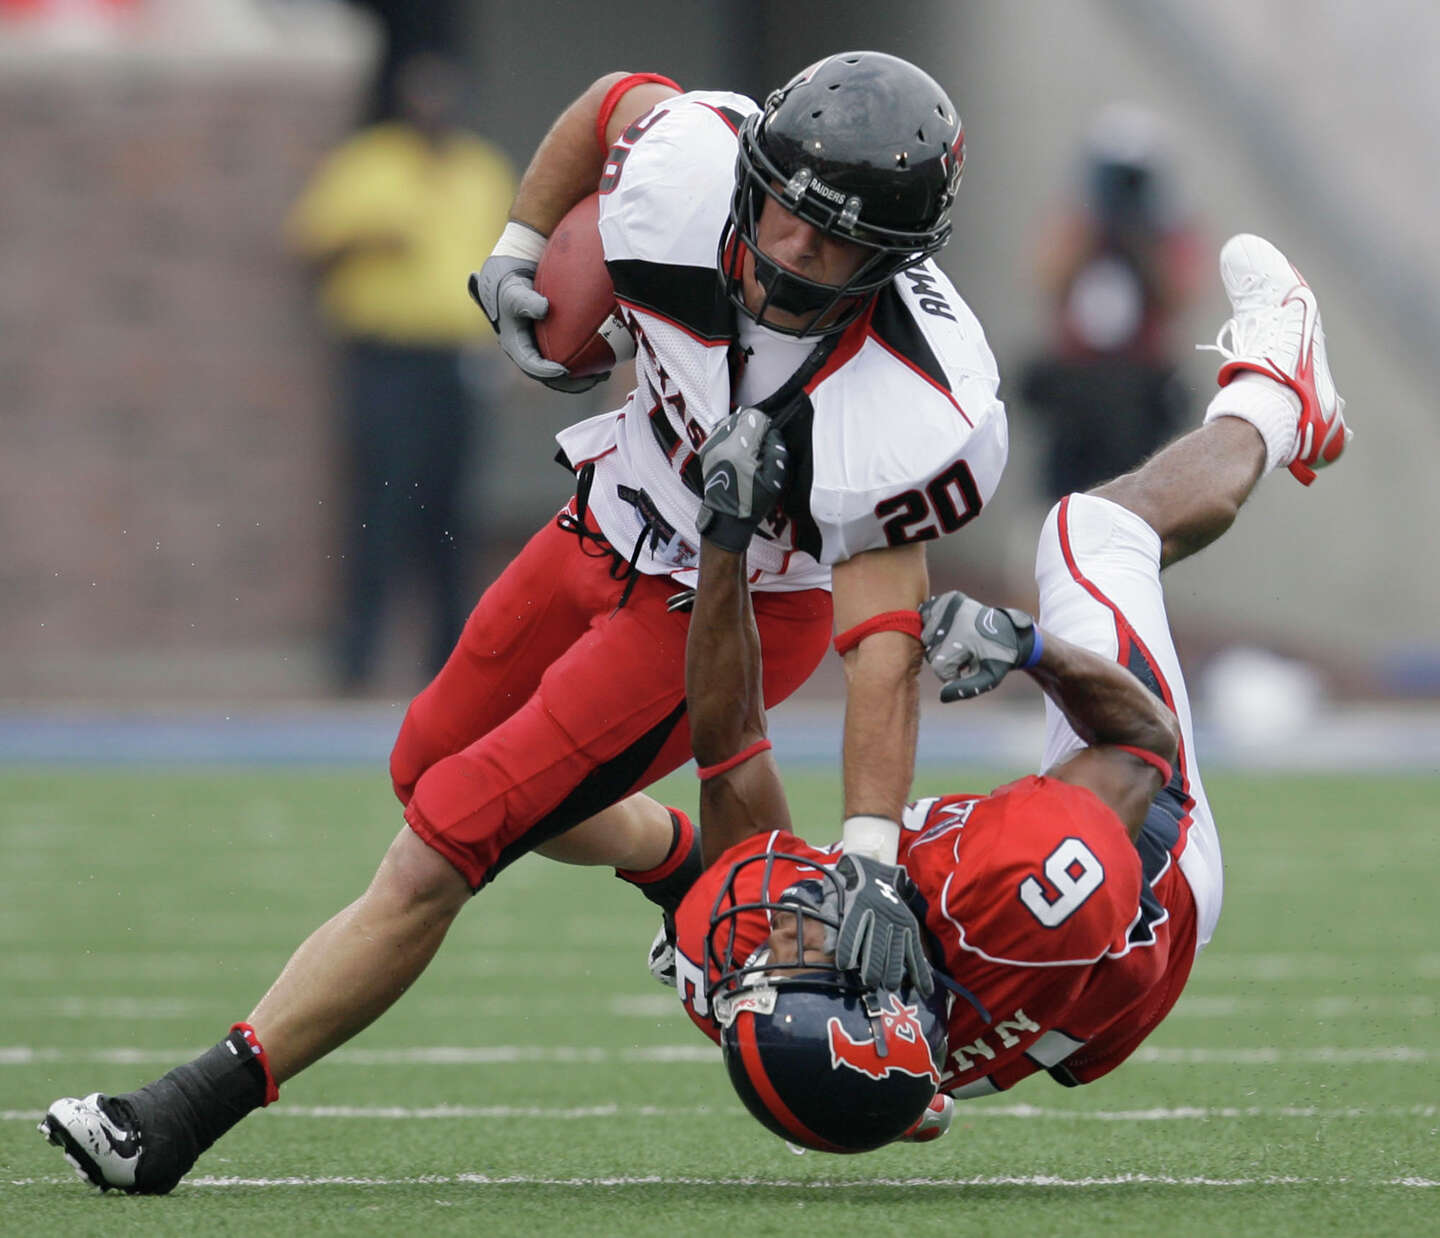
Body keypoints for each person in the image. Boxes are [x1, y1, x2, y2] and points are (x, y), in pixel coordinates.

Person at [38, 51, 1006, 1194]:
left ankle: (178, 1117)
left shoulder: (913, 402)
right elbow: (614, 98)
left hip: (727, 608)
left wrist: (870, 856)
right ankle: (695, 873)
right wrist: (515, 241)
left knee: (444, 838)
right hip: (599, 521)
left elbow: (881, 647)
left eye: (839, 242)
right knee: (426, 763)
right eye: (790, 213)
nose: (796, 250)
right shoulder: (689, 171)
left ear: (893, 262)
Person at [643, 231, 1349, 1150]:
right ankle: (1285, 396)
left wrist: (724, 537)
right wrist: (1030, 648)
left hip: (988, 1015)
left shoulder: (755, 981)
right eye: (800, 950)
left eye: (765, 959)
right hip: (1145, 873)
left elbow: (730, 741)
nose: (778, 926)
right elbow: (1143, 750)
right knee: (1091, 535)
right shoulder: (1013, 901)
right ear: (875, 986)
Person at [285, 53, 516, 692]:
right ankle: (356, 660)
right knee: (380, 506)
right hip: (386, 359)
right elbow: (309, 244)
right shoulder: (369, 164)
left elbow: (512, 270)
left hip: (459, 362)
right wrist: (366, 239)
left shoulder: (482, 170)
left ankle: (449, 661)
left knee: (452, 510)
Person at [1022, 104, 1205, 499]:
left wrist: (1142, 236)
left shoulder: (1170, 233)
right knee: (1063, 502)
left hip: (1138, 394)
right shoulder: (1076, 222)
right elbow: (1049, 279)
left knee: (1134, 500)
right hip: (1075, 387)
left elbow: (1179, 298)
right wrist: (1094, 221)